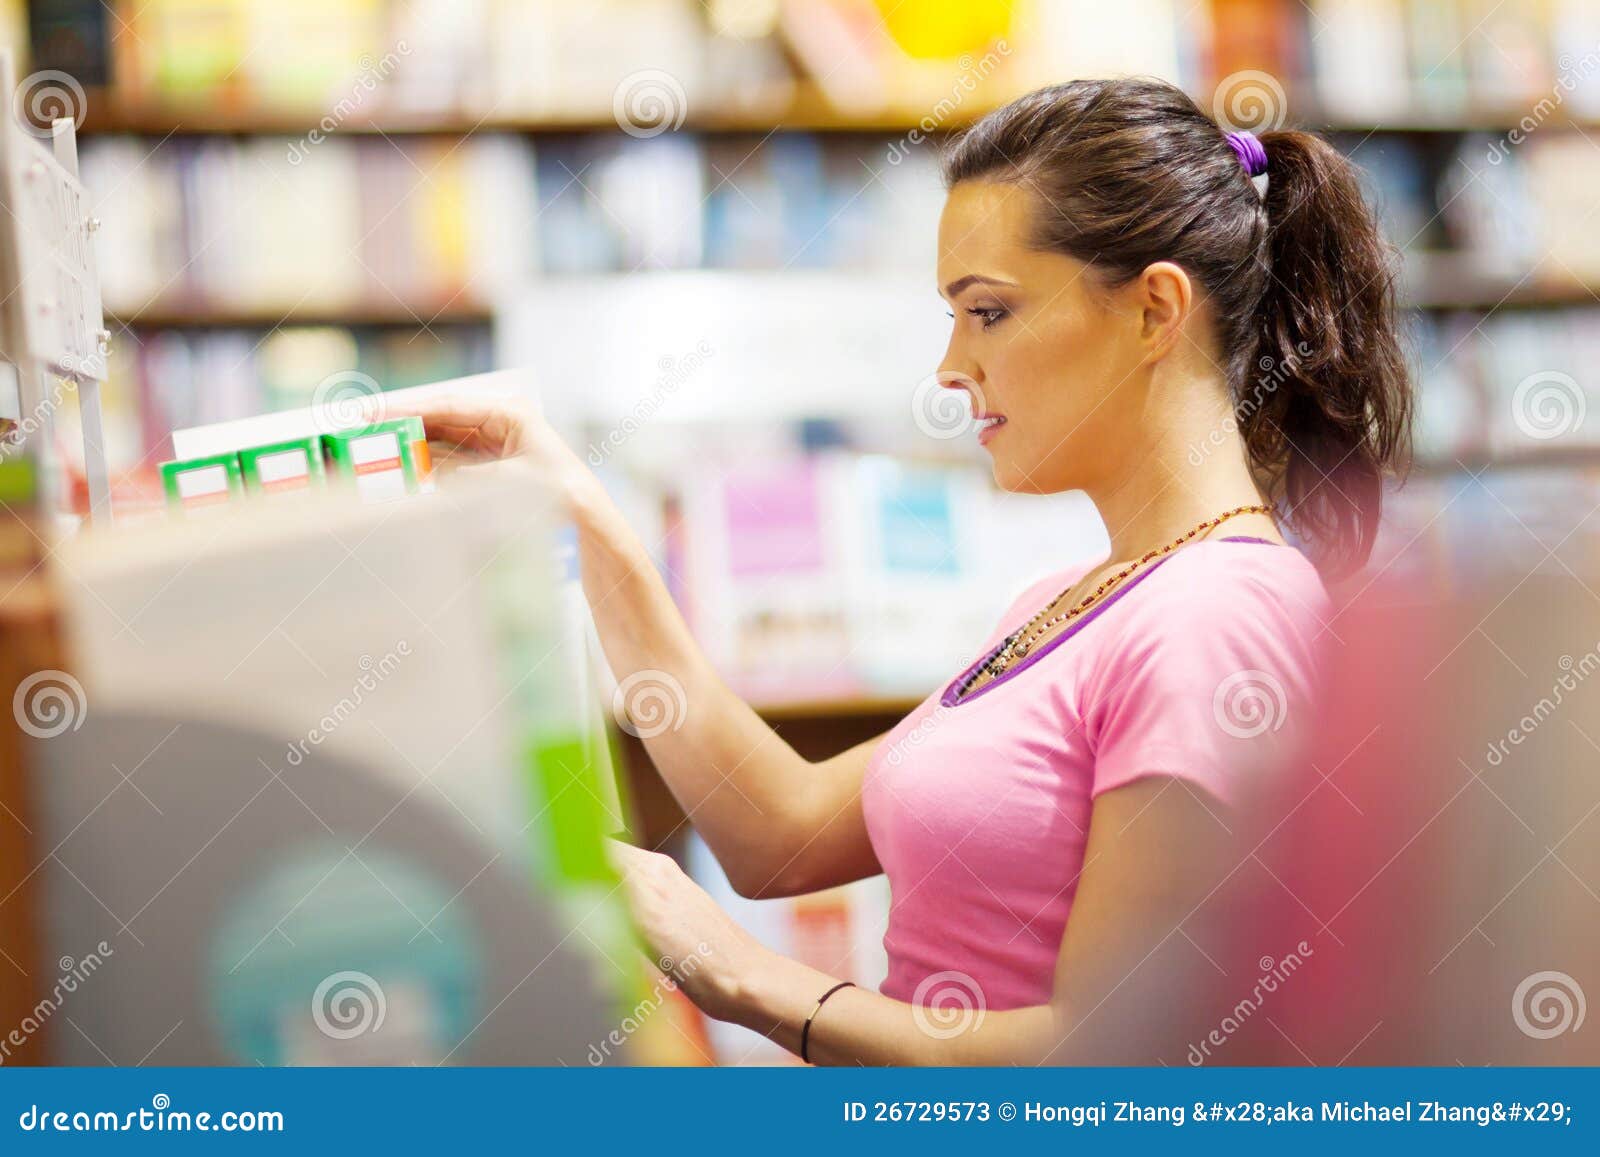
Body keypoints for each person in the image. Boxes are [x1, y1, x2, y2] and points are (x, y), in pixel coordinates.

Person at [395, 76, 1411, 1065]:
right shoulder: (1069, 600)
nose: (950, 368)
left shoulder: (1217, 612)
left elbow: (1113, 1063)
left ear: (1153, 311)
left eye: (988, 312)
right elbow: (780, 834)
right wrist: (581, 511)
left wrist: (749, 978)